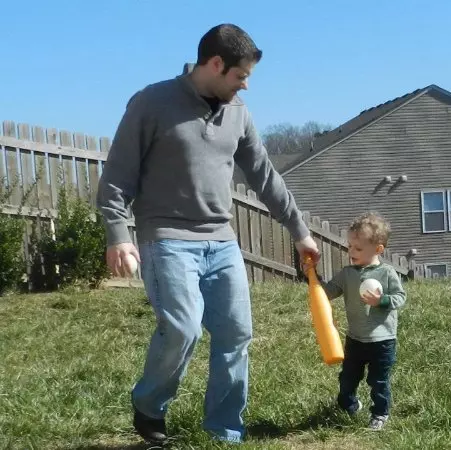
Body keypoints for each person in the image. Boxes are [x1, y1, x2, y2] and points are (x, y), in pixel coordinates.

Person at [97, 23, 319, 444]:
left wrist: (299, 231)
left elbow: (265, 177)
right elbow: (116, 176)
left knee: (237, 334)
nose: (246, 86)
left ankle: (223, 431)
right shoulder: (151, 102)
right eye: (240, 76)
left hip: (221, 241)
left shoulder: (238, 114)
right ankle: (149, 407)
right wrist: (118, 234)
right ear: (215, 64)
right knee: (183, 328)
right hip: (166, 238)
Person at [303, 213, 406, 430]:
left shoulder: (386, 273)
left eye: (358, 248)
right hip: (355, 339)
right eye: (350, 246)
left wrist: (382, 300)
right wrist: (313, 276)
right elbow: (327, 293)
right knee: (348, 378)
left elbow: (400, 297)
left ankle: (380, 414)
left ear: (378, 249)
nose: (351, 252)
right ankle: (349, 404)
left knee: (378, 382)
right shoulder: (347, 274)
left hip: (383, 340)